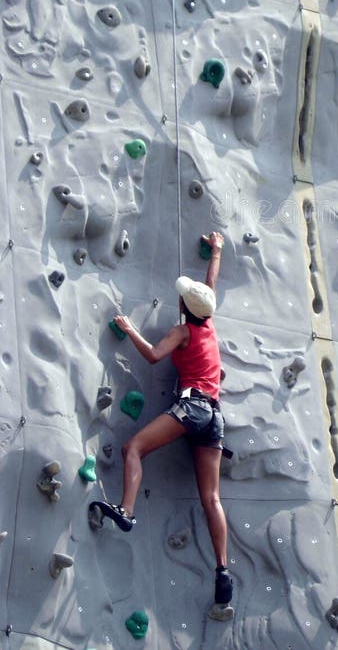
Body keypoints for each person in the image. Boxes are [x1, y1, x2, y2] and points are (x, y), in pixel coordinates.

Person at [89, 231, 233, 612]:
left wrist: (128, 327)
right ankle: (222, 572)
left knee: (133, 448)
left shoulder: (182, 331)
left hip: (192, 409)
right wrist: (216, 250)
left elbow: (154, 355)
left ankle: (126, 511)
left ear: (184, 305)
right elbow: (210, 286)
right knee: (212, 498)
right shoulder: (208, 322)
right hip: (215, 418)